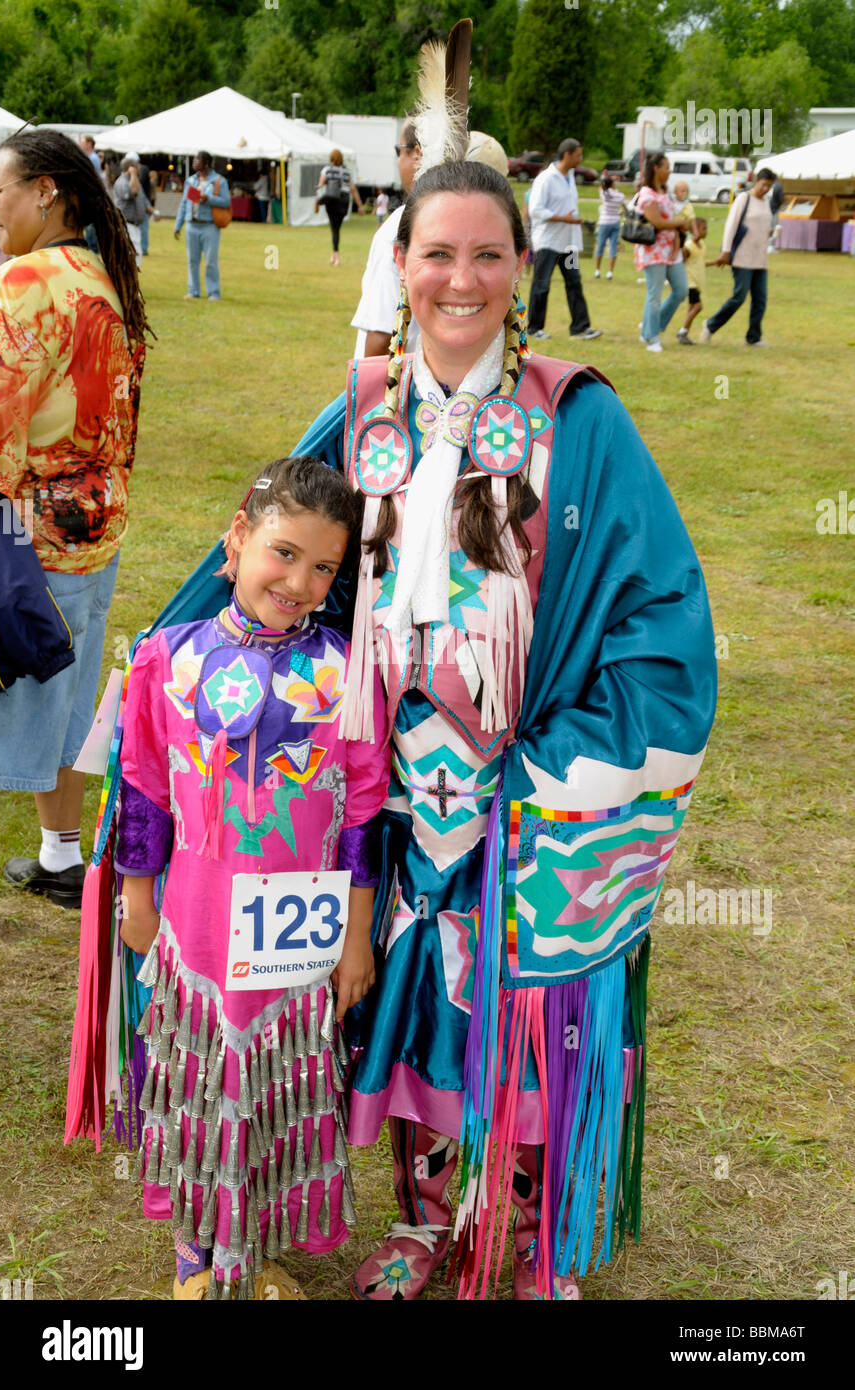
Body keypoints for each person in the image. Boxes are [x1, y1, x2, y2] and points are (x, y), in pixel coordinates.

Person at [289, 157, 716, 1301]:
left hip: (523, 782)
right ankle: (429, 1216)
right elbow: (296, 561)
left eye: (487, 254)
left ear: (520, 267)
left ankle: (524, 1233)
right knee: (411, 994)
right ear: (401, 264)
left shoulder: (574, 414)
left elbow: (657, 608)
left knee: (526, 1004)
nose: (460, 279)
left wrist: (563, 760)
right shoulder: (368, 404)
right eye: (437, 253)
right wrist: (184, 667)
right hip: (397, 785)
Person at [102, 456, 391, 1299]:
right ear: (236, 539)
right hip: (194, 925)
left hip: (294, 936)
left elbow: (363, 812)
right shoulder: (168, 660)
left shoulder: (345, 673)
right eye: (283, 552)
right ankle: (199, 1252)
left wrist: (353, 937)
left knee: (276, 1088)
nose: (300, 580)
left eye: (325, 567)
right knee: (200, 1085)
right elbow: (146, 790)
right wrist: (136, 895)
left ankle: (253, 1241)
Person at [0, 128, 148, 907]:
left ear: (46, 191)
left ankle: (63, 854)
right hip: (92, 529)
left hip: (23, 540)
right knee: (66, 697)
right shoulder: (100, 271)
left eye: (0, 192)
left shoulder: (25, 278)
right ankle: (61, 858)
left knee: (39, 696)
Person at [351, 122, 421, 358]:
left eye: (398, 150)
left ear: (417, 154)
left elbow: (382, 334)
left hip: (399, 384)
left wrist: (367, 394)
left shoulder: (399, 225)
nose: (398, 160)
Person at [526, 137, 602, 341]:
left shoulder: (571, 176)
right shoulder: (546, 179)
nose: (581, 159)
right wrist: (563, 219)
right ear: (567, 154)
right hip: (548, 242)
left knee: (574, 282)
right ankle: (534, 328)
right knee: (541, 284)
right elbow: (535, 210)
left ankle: (580, 327)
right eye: (578, 155)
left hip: (569, 244)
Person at [701, 168, 775, 346]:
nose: (765, 189)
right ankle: (710, 325)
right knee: (739, 297)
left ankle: (753, 337)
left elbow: (761, 227)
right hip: (742, 257)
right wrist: (725, 251)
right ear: (757, 181)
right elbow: (731, 226)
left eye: (769, 186)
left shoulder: (766, 202)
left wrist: (770, 233)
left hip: (760, 258)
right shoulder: (744, 199)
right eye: (764, 184)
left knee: (760, 299)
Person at [634, 152, 689, 353]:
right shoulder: (647, 194)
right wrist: (680, 223)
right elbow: (656, 221)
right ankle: (651, 337)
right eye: (666, 166)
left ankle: (652, 326)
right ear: (656, 168)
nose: (669, 171)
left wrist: (678, 226)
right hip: (653, 250)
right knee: (654, 294)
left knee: (681, 290)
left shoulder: (665, 192)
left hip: (671, 250)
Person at [173, 151, 231, 301]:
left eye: (197, 159)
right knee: (192, 260)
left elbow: (226, 202)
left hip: (209, 226)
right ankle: (193, 291)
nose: (193, 162)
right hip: (192, 224)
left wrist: (209, 199)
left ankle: (213, 292)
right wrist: (178, 225)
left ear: (206, 163)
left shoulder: (219, 181)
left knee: (211, 261)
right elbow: (184, 203)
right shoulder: (190, 181)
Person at [315, 149, 363, 267]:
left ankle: (336, 257)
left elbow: (320, 186)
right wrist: (360, 206)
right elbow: (353, 189)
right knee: (336, 228)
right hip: (344, 202)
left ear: (331, 158)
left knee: (334, 229)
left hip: (332, 201)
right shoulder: (347, 172)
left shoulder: (327, 170)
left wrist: (316, 203)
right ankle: (333, 255)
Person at [112, 152, 151, 269]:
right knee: (131, 256)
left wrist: (152, 211)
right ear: (130, 168)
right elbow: (133, 192)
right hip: (126, 225)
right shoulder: (122, 182)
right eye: (136, 167)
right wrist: (133, 174)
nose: (139, 169)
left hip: (135, 225)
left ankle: (132, 283)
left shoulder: (135, 181)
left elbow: (143, 198)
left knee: (136, 255)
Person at [677, 217, 707, 345]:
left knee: (691, 308)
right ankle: (682, 331)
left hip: (697, 281)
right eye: (703, 228)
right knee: (698, 306)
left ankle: (685, 333)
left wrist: (713, 263)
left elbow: (699, 262)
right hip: (690, 281)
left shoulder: (702, 245)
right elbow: (681, 262)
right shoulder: (688, 246)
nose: (706, 231)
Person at [593, 173, 625, 279]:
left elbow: (601, 186)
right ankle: (610, 272)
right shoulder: (620, 195)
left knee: (600, 246)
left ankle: (597, 270)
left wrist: (609, 179)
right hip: (615, 222)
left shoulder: (604, 194)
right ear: (612, 184)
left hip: (604, 222)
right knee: (613, 247)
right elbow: (625, 209)